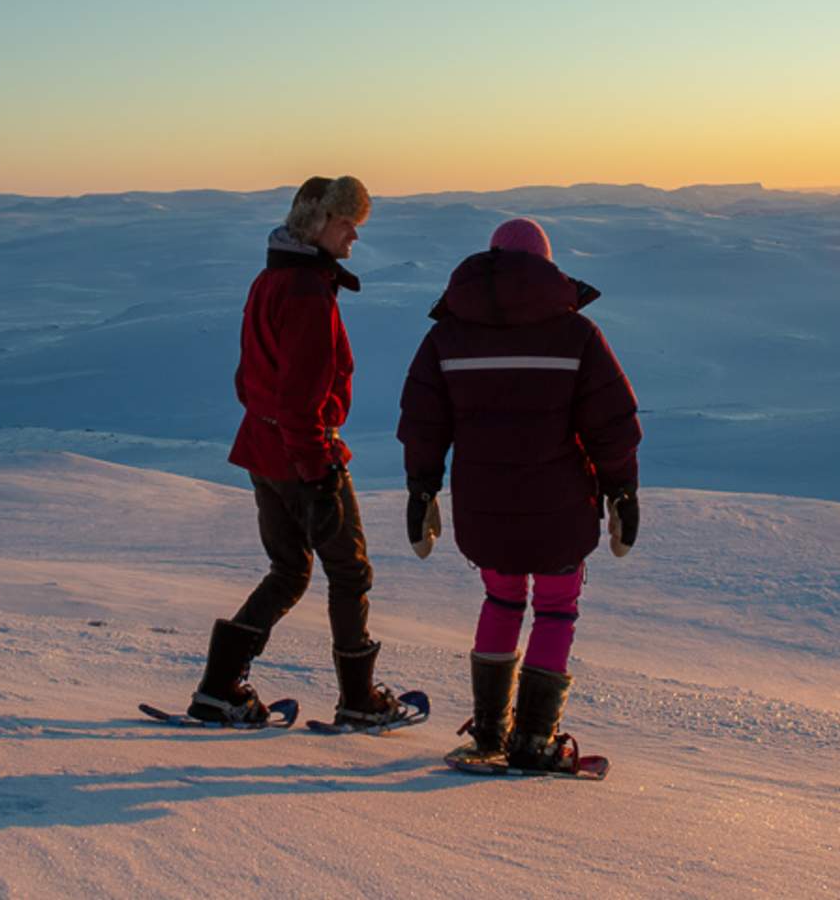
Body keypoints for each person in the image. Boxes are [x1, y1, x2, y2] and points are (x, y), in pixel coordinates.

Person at [396, 217, 642, 771]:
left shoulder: (446, 336)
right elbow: (613, 422)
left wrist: (422, 491)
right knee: (556, 609)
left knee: (502, 600)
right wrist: (622, 490)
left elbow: (422, 422)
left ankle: (489, 735)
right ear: (546, 266)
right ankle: (534, 739)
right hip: (560, 507)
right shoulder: (576, 335)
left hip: (486, 508)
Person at [188, 175, 408, 726]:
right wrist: (318, 471)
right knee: (349, 573)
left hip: (263, 451)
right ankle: (359, 701)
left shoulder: (270, 280)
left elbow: (248, 380)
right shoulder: (309, 294)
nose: (354, 240)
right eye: (347, 227)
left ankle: (218, 687)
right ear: (320, 225)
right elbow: (302, 398)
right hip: (301, 456)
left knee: (289, 571)